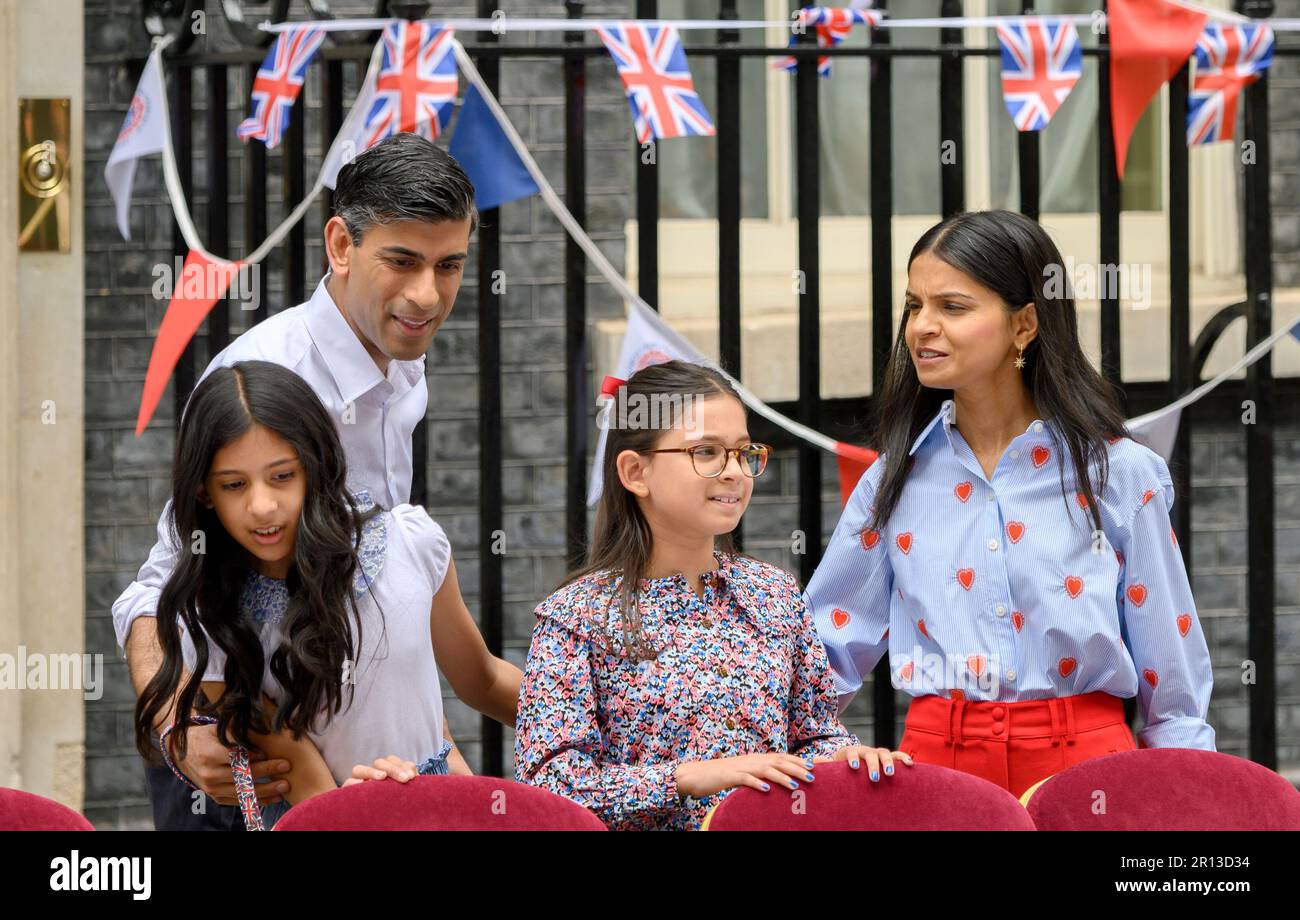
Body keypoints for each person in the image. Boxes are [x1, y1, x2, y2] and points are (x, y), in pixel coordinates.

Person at [113, 133, 493, 828]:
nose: (426, 294)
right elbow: (153, 589)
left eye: (450, 266)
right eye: (402, 262)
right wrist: (178, 725)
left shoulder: (402, 362)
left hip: (365, 757)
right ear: (341, 246)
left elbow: (387, 582)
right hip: (249, 762)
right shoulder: (261, 379)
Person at [805, 209, 1215, 799]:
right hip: (936, 779)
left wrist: (1190, 806)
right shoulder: (891, 480)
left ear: (1025, 324)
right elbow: (821, 657)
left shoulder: (1119, 474)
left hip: (1089, 777)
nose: (922, 327)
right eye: (914, 305)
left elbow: (1171, 685)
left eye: (953, 307)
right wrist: (833, 755)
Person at [515, 360, 910, 830]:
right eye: (707, 452)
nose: (734, 472)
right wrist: (687, 778)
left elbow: (813, 736)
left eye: (744, 453)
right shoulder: (576, 617)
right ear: (635, 471)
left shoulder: (774, 595)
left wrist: (847, 758)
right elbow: (550, 786)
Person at [133, 361, 519, 828]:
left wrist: (590, 717)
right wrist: (362, 807)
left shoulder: (411, 543)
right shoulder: (213, 613)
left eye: (282, 476)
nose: (261, 506)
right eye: (234, 484)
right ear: (204, 493)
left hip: (439, 811)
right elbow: (301, 776)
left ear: (314, 466)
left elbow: (480, 679)